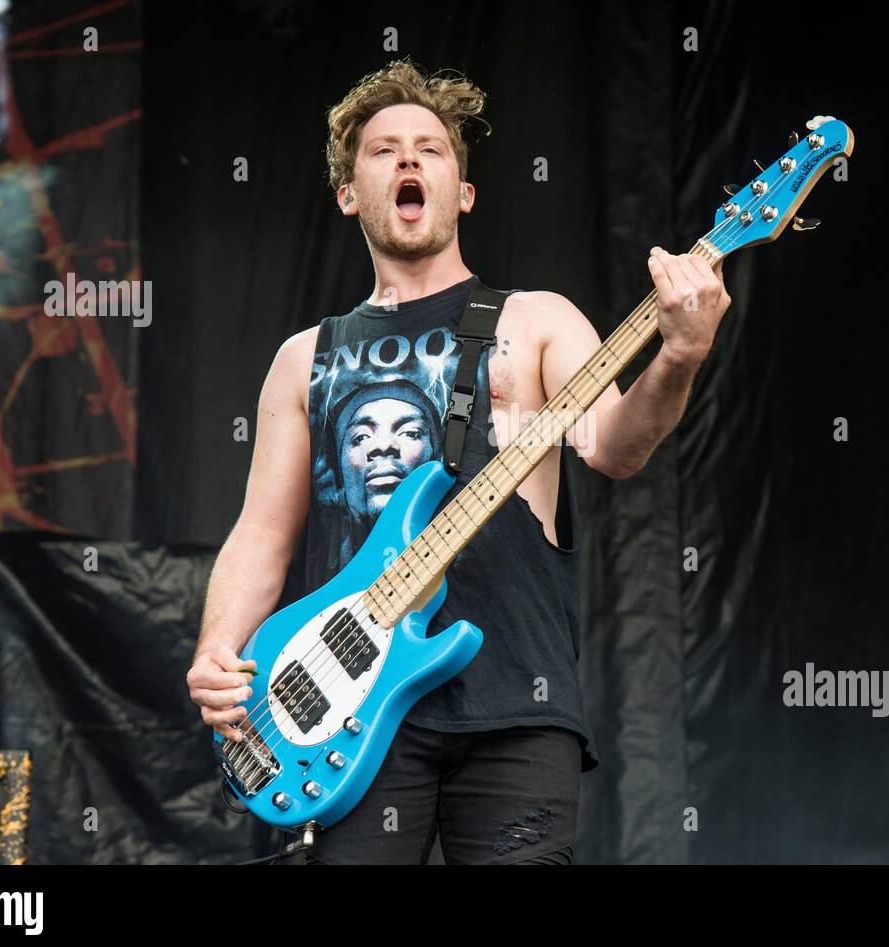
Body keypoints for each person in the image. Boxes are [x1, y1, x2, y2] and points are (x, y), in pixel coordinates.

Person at [186, 57, 730, 864]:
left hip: (517, 698)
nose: (409, 160)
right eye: (384, 150)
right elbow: (261, 535)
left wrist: (679, 356)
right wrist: (217, 651)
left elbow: (615, 446)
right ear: (347, 193)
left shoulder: (538, 321)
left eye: (431, 149)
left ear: (463, 193)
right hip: (343, 708)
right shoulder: (306, 358)